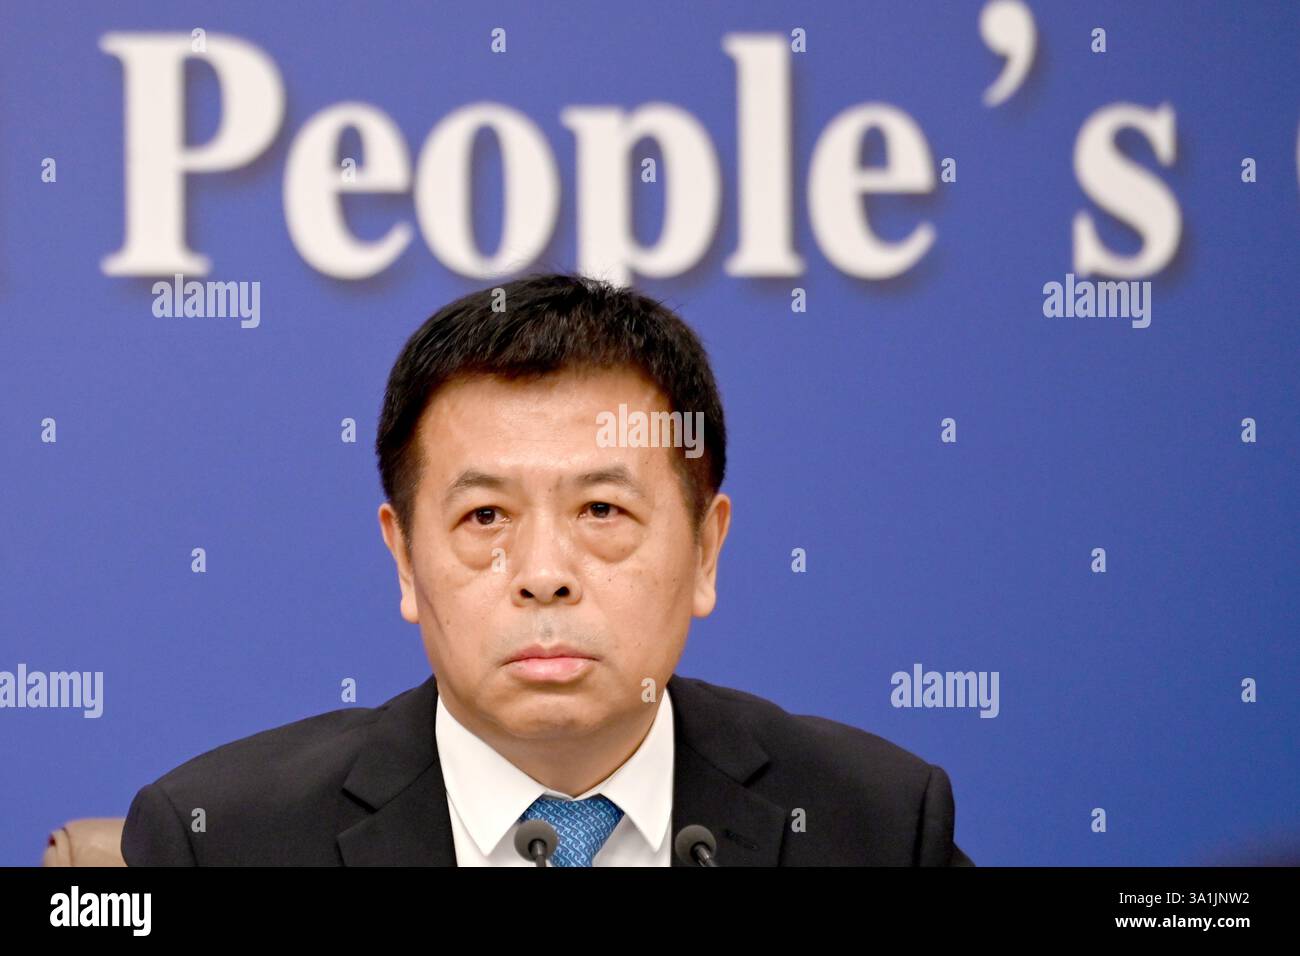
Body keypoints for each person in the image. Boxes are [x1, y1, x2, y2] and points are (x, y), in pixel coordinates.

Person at [121, 272, 974, 866]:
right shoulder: (220, 840)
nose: (542, 575)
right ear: (406, 560)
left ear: (706, 550)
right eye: (485, 517)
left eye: (602, 511)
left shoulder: (876, 825)